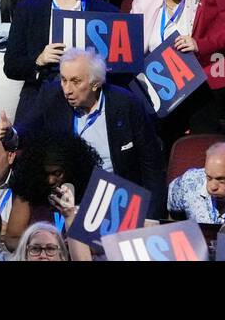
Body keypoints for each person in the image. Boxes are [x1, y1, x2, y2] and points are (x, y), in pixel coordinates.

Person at [20, 48, 166, 216]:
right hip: (72, 201)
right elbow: (27, 129)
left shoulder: (126, 104)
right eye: (64, 80)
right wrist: (11, 135)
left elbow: (152, 166)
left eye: (75, 81)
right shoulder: (53, 98)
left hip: (120, 200)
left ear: (95, 83)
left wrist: (152, 216)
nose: (67, 90)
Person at [3, 0, 119, 123]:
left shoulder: (107, 12)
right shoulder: (30, 10)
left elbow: (122, 67)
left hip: (93, 105)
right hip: (43, 103)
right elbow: (11, 66)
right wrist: (39, 60)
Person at [166, 139, 225, 225]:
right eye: (209, 177)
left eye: (221, 180)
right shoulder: (189, 182)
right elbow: (172, 215)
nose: (212, 187)